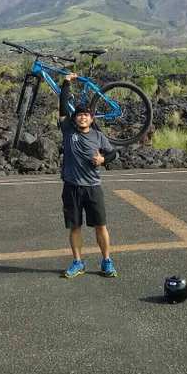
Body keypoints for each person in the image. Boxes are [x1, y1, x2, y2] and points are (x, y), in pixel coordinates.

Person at [58, 73, 118, 278]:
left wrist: (103, 160)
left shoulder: (98, 136)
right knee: (74, 227)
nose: (82, 117)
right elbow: (63, 106)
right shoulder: (68, 131)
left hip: (93, 187)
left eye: (86, 115)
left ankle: (107, 261)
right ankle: (78, 262)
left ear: (92, 119)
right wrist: (66, 83)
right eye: (79, 114)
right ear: (75, 118)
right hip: (72, 187)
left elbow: (113, 153)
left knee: (100, 226)